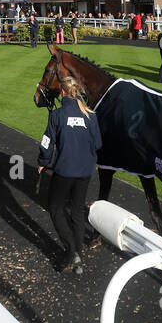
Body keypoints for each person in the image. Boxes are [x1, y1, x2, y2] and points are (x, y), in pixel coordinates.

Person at [36, 75, 102, 275]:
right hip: (85, 171)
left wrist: (42, 162)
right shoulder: (91, 115)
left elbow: (47, 142)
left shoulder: (57, 115)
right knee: (76, 211)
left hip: (65, 170)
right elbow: (98, 144)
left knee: (55, 208)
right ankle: (78, 256)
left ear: (63, 92)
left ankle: (72, 251)